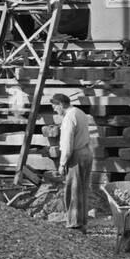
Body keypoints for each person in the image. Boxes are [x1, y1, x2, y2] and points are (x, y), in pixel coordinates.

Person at [51, 93, 93, 234]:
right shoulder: (79, 112)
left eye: (55, 106)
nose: (55, 110)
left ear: (61, 104)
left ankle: (74, 224)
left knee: (73, 190)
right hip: (86, 152)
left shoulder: (69, 117)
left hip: (77, 155)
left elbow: (68, 144)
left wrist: (62, 164)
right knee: (82, 189)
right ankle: (82, 222)